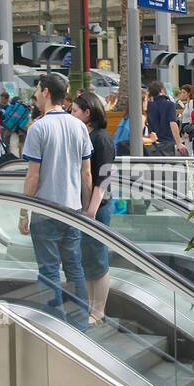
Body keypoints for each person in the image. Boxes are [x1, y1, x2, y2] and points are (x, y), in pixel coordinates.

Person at [18, 71, 93, 329]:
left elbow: (33, 176)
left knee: (49, 270)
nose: (36, 95)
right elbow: (87, 173)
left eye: (38, 90)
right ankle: (80, 323)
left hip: (45, 210)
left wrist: (23, 212)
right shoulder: (79, 126)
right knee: (74, 267)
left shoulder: (38, 128)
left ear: (46, 91)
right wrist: (84, 208)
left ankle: (56, 324)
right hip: (72, 211)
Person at [73, 91, 115, 327]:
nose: (72, 115)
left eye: (75, 111)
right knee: (88, 259)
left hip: (96, 208)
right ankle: (91, 306)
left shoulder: (101, 138)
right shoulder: (86, 136)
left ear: (88, 113)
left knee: (97, 259)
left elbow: (103, 178)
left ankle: (99, 310)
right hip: (85, 207)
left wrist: (90, 210)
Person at [144, 80, 184, 156]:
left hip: (154, 142)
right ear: (162, 90)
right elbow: (173, 123)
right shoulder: (169, 104)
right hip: (167, 142)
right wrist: (179, 143)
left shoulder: (148, 106)